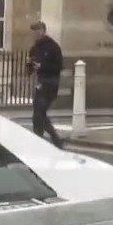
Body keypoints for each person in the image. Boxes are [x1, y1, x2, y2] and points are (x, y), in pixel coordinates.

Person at [25, 21, 65, 149]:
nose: (35, 34)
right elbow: (29, 71)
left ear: (43, 31)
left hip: (51, 83)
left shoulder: (53, 47)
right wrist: (29, 67)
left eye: (37, 31)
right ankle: (44, 141)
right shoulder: (34, 49)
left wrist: (42, 66)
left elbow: (59, 67)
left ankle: (52, 140)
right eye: (33, 31)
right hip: (41, 83)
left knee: (39, 113)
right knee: (37, 115)